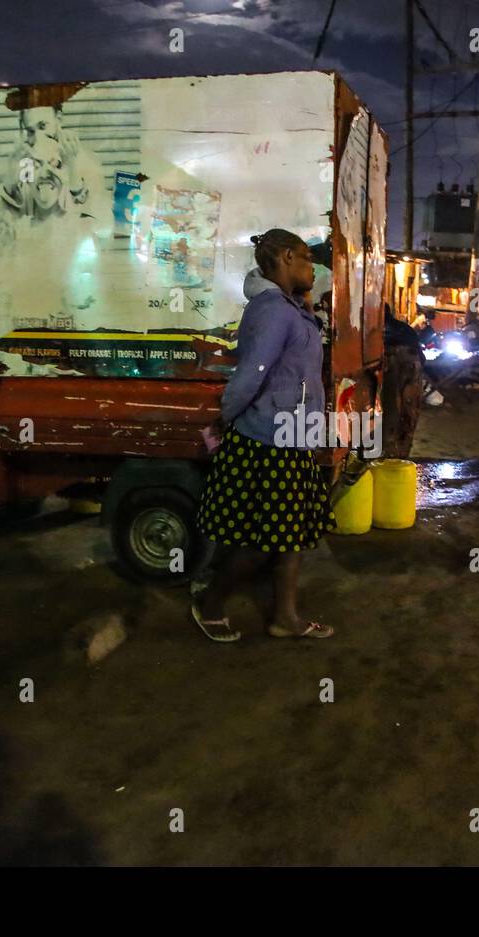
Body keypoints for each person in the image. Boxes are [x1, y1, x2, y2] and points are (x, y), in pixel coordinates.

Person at [193, 229, 337, 640]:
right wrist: (226, 416)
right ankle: (211, 603)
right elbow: (252, 372)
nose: (314, 268)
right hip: (268, 440)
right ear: (288, 258)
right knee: (264, 540)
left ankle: (284, 618)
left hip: (293, 434)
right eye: (307, 258)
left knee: (291, 535)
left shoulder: (290, 306)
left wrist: (305, 298)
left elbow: (319, 282)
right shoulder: (273, 310)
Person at [382, 303, 424, 457]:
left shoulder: (373, 331)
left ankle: (389, 455)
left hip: (393, 373)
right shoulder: (405, 330)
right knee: (408, 415)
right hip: (412, 371)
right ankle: (401, 455)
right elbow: (422, 358)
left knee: (391, 411)